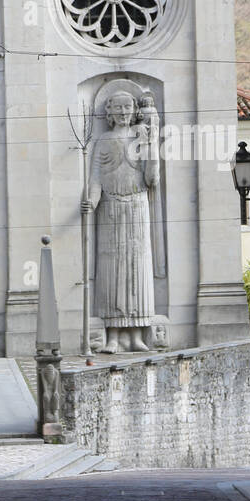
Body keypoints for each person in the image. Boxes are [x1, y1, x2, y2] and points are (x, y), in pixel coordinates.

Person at [83, 92, 158, 352]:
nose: (124, 111)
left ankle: (137, 334)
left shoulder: (141, 138)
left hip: (137, 206)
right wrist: (91, 201)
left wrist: (152, 142)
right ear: (109, 112)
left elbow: (152, 179)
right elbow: (95, 177)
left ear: (135, 109)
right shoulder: (102, 141)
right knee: (111, 269)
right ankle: (113, 335)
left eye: (128, 106)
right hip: (110, 208)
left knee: (137, 268)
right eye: (118, 107)